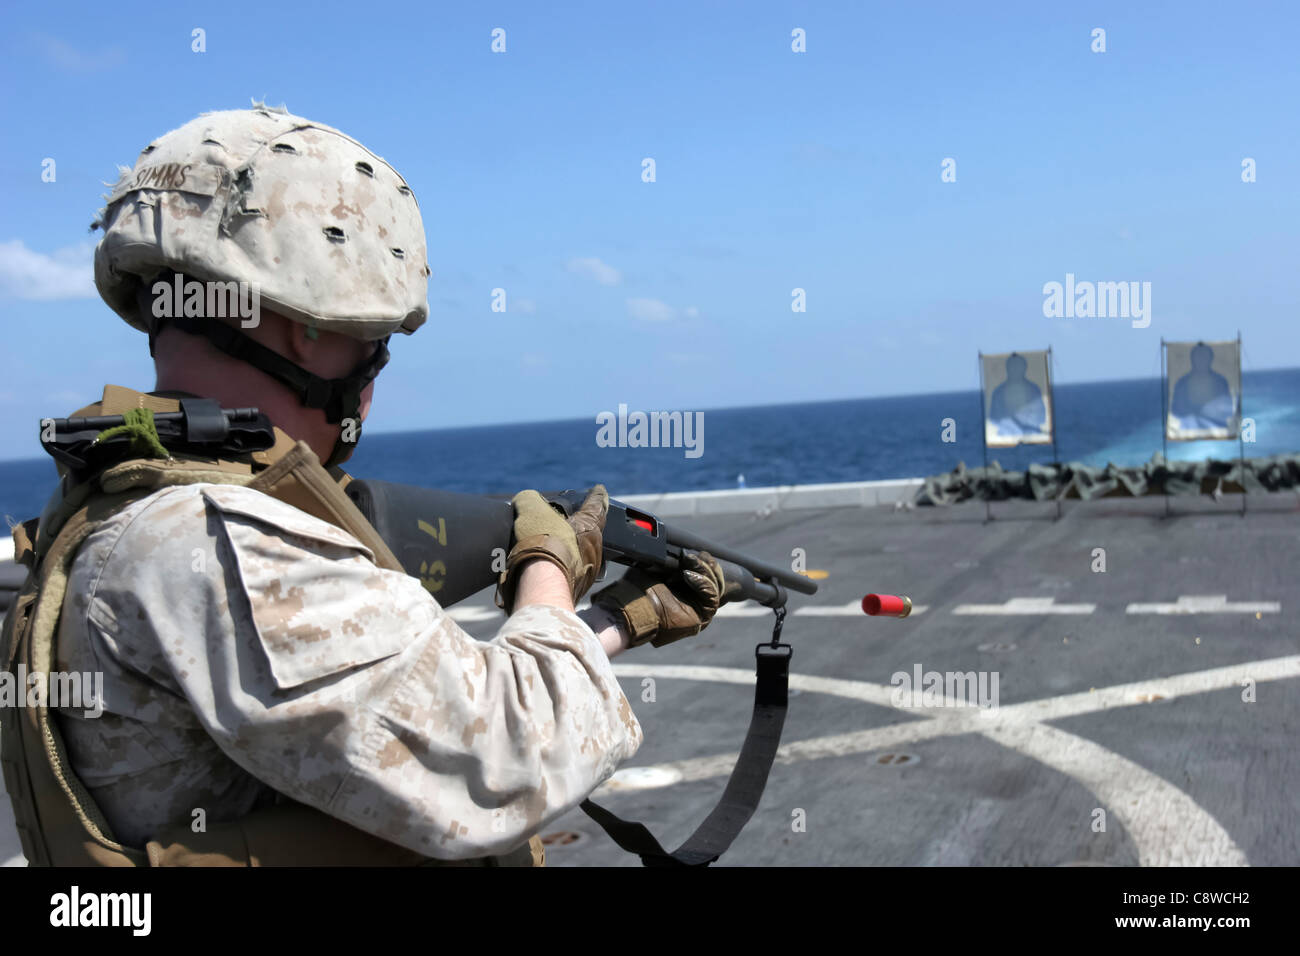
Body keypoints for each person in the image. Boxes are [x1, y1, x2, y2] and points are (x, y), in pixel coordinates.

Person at [0, 105, 727, 867]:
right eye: (373, 346)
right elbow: (508, 760)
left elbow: (379, 710)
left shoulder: (118, 502)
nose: (374, 378)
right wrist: (549, 567)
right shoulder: (216, 545)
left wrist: (618, 619)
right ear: (305, 331)